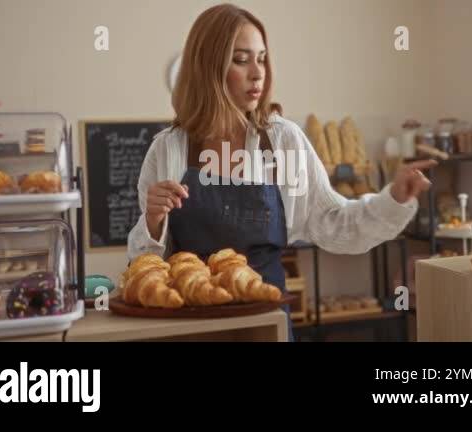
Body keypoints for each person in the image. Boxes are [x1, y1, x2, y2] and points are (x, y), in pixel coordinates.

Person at [128, 3, 436, 340]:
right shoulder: (167, 149)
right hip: (192, 327)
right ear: (207, 67)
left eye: (261, 59)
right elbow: (144, 266)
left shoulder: (282, 140)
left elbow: (334, 222)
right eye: (241, 60)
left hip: (266, 323)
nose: (257, 73)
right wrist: (154, 222)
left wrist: (393, 198)